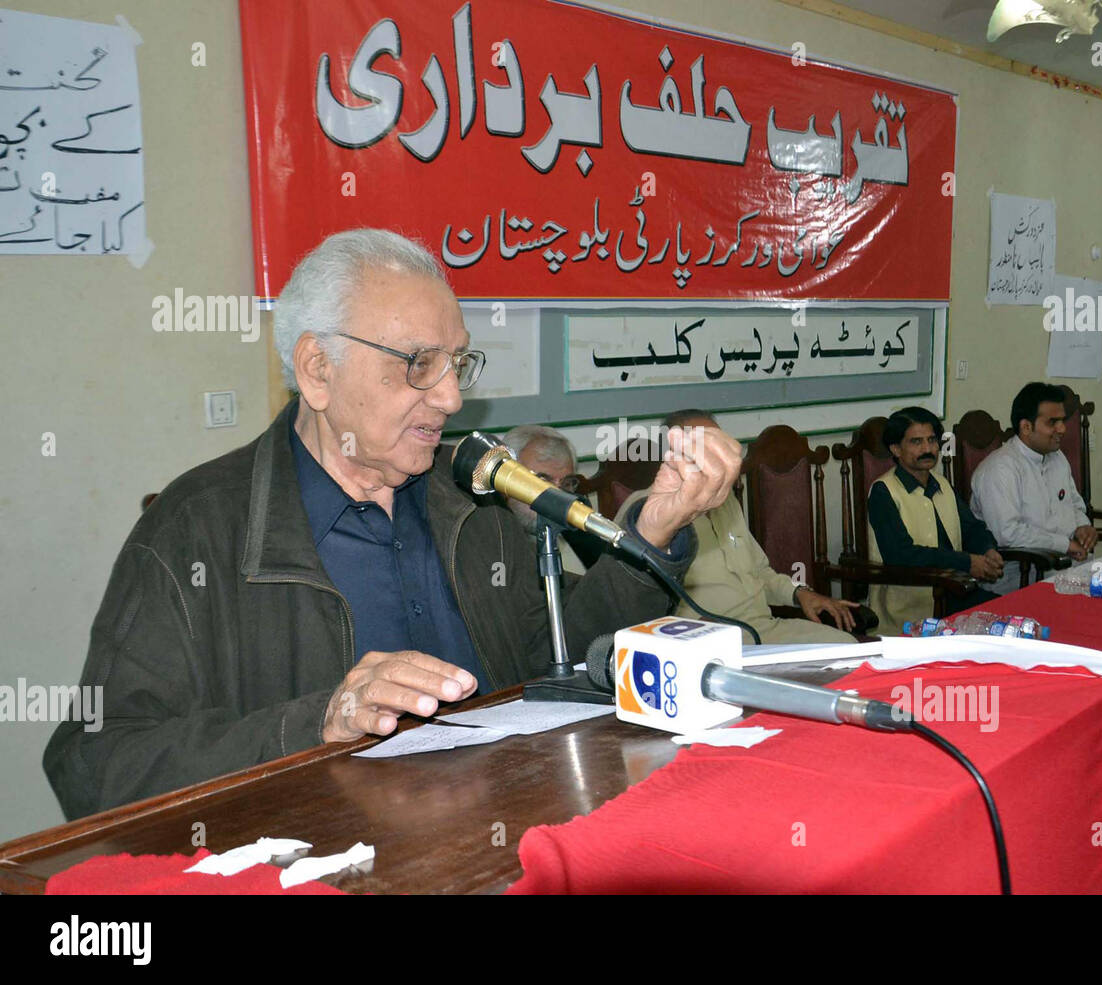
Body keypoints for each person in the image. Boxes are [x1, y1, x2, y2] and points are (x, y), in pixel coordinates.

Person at [44, 228, 741, 820]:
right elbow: (93, 761)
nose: (451, 394)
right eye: (418, 364)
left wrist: (651, 533)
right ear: (318, 370)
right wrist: (318, 722)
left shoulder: (469, 498)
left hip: (504, 840)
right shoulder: (195, 530)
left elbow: (548, 656)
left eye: (457, 361)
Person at [617, 411, 860, 645]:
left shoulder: (725, 501)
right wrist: (688, 627)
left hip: (765, 630)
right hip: (704, 642)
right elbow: (631, 597)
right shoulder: (647, 511)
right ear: (674, 454)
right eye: (706, 447)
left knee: (846, 646)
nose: (718, 455)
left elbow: (760, 571)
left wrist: (800, 594)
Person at [867, 406, 1003, 635]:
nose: (927, 449)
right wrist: (967, 563)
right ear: (896, 449)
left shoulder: (941, 484)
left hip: (955, 592)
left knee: (1012, 619)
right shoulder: (884, 491)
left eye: (931, 440)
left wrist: (988, 549)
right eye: (916, 442)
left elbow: (971, 528)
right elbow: (900, 554)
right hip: (911, 609)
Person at [970, 382, 1098, 596]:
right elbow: (1008, 534)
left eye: (1063, 421)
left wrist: (1082, 527)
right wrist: (1064, 545)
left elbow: (1075, 505)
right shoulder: (1000, 469)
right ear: (1026, 427)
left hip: (1068, 570)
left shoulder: (1057, 457)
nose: (1063, 429)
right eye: (1053, 422)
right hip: (1020, 579)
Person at [501, 424, 600, 574]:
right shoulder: (491, 540)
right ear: (506, 479)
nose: (556, 495)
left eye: (566, 483)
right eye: (542, 481)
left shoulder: (582, 536)